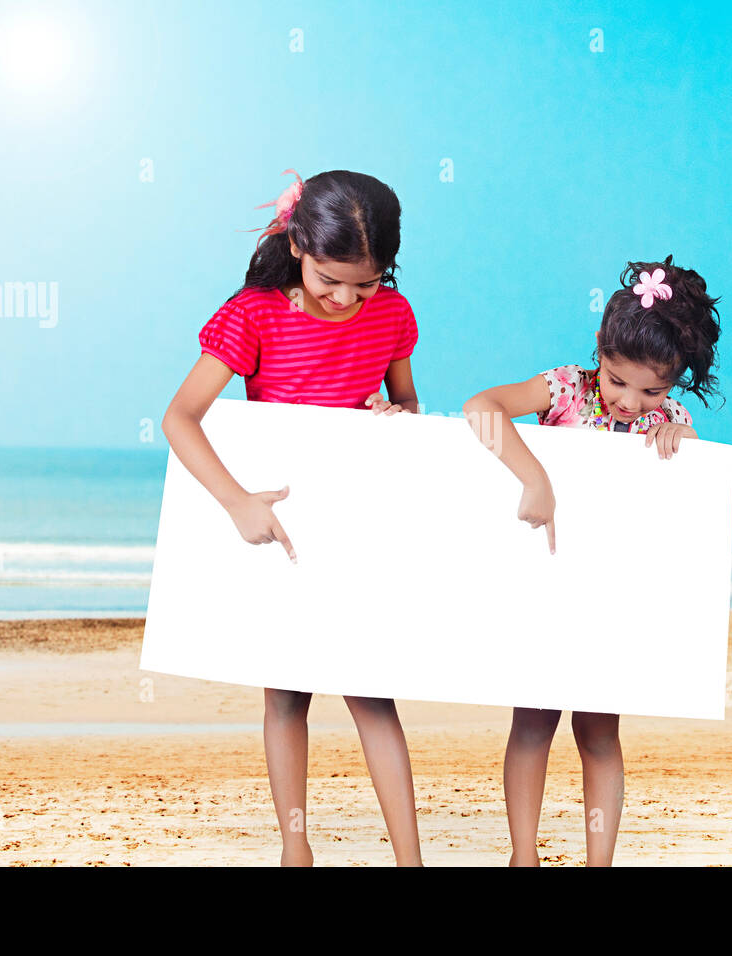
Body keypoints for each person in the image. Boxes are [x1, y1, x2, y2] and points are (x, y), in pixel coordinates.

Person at [162, 169, 423, 866]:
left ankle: (410, 860)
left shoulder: (393, 317)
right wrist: (235, 500)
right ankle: (295, 850)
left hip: (355, 529)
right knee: (287, 699)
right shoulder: (253, 315)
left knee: (372, 695)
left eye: (364, 284)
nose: (345, 299)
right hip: (285, 532)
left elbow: (409, 408)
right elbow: (180, 418)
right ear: (299, 244)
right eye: (330, 279)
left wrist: (395, 415)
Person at [462, 256, 722, 865]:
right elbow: (481, 408)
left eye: (652, 390)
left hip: (611, 602)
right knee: (532, 721)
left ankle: (598, 862)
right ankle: (522, 856)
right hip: (548, 590)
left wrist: (682, 443)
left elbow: (679, 505)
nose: (631, 402)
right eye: (617, 380)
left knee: (600, 730)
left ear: (675, 382)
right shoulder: (565, 388)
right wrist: (537, 479)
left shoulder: (670, 420)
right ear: (598, 353)